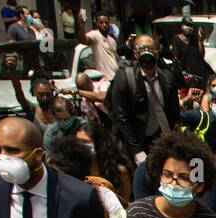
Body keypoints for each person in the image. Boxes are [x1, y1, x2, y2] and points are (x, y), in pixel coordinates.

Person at [106, 34, 184, 166]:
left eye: (150, 48)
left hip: (159, 141)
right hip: (134, 145)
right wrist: (136, 151)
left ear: (157, 51)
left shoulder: (167, 78)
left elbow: (174, 114)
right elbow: (121, 118)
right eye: (141, 48)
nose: (146, 52)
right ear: (135, 53)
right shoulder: (125, 77)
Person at [76, 119, 133, 204]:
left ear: (98, 143)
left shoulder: (119, 171)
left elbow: (124, 204)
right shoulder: (75, 170)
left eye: (85, 142)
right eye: (78, 142)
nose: (80, 146)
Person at [83, 11, 119, 81]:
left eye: (106, 23)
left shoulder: (112, 40)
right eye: (101, 22)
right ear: (97, 24)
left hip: (116, 78)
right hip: (105, 80)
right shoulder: (95, 35)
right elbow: (83, 41)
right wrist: (82, 25)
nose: (104, 25)